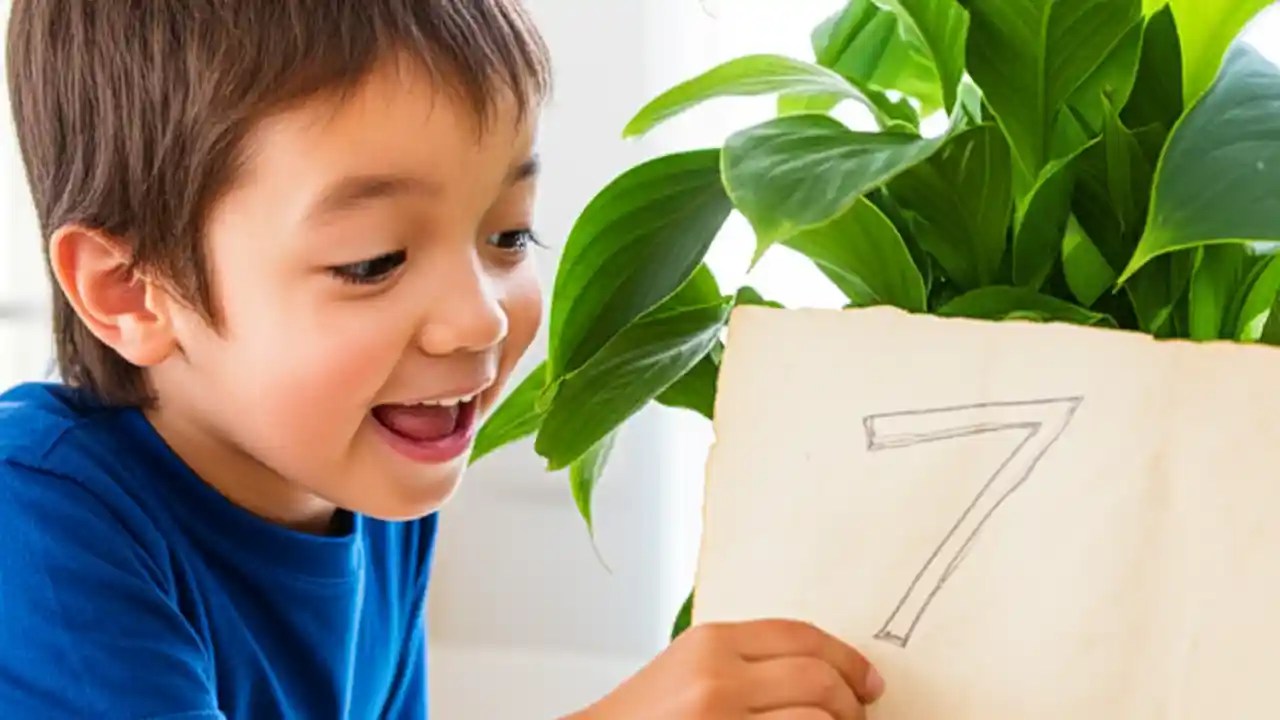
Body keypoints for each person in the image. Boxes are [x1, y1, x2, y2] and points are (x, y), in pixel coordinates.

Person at [0, 1, 887, 717]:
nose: (478, 320)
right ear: (130, 292)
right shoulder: (34, 526)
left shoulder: (367, 480)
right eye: (373, 261)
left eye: (508, 235)